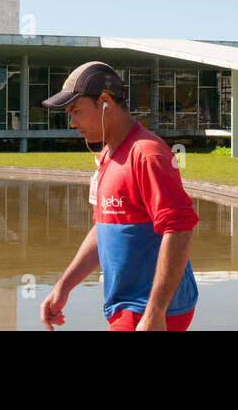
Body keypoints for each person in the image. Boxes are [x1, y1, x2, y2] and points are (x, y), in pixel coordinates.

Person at [38, 60, 199, 331]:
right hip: (127, 307)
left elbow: (180, 229)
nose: (72, 123)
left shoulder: (147, 154)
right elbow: (104, 230)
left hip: (149, 311)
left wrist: (155, 312)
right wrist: (63, 286)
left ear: (104, 103)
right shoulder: (107, 156)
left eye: (76, 111)